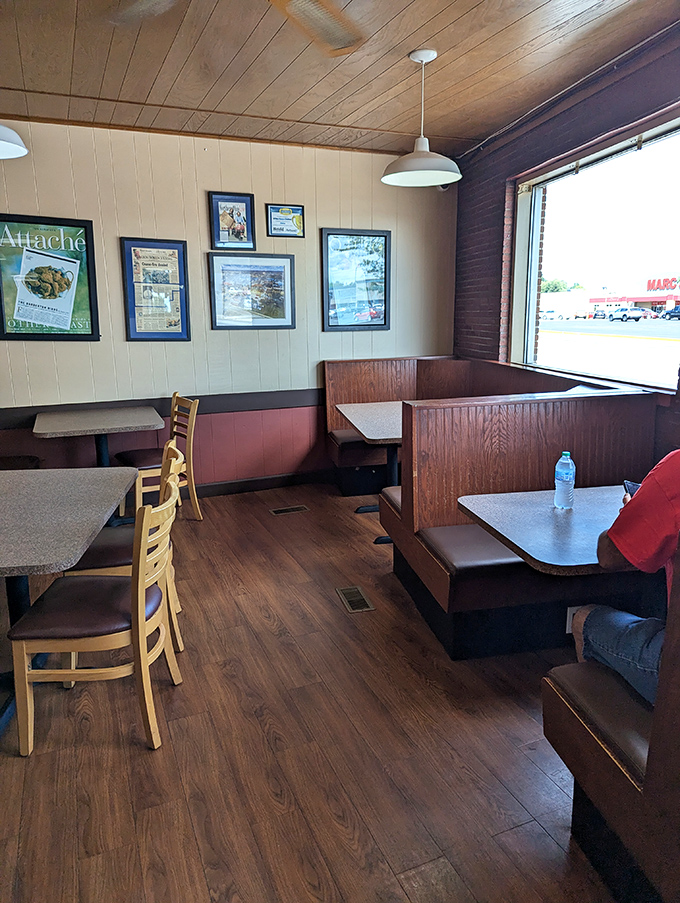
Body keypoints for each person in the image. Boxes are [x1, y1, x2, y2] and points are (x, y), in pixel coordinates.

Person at [572, 448, 680, 705]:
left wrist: (631, 514)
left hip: (674, 672)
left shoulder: (675, 471)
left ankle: (611, 738)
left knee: (584, 620)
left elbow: (610, 555)